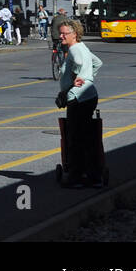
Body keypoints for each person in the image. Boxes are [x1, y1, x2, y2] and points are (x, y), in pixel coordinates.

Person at [55, 19, 102, 187]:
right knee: (88, 137)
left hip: (78, 97)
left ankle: (76, 178)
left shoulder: (75, 49)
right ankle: (94, 176)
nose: (60, 36)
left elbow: (81, 63)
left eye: (64, 33)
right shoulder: (83, 47)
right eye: (60, 33)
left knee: (74, 139)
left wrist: (77, 78)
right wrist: (88, 77)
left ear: (74, 34)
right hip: (89, 95)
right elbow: (97, 63)